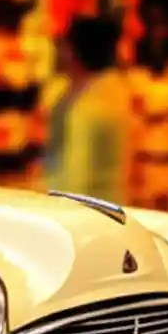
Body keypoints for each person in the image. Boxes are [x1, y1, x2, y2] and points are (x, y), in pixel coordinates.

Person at [44, 17, 134, 205]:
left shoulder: (90, 109)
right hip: (105, 203)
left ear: (73, 51)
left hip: (88, 209)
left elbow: (76, 178)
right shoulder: (108, 89)